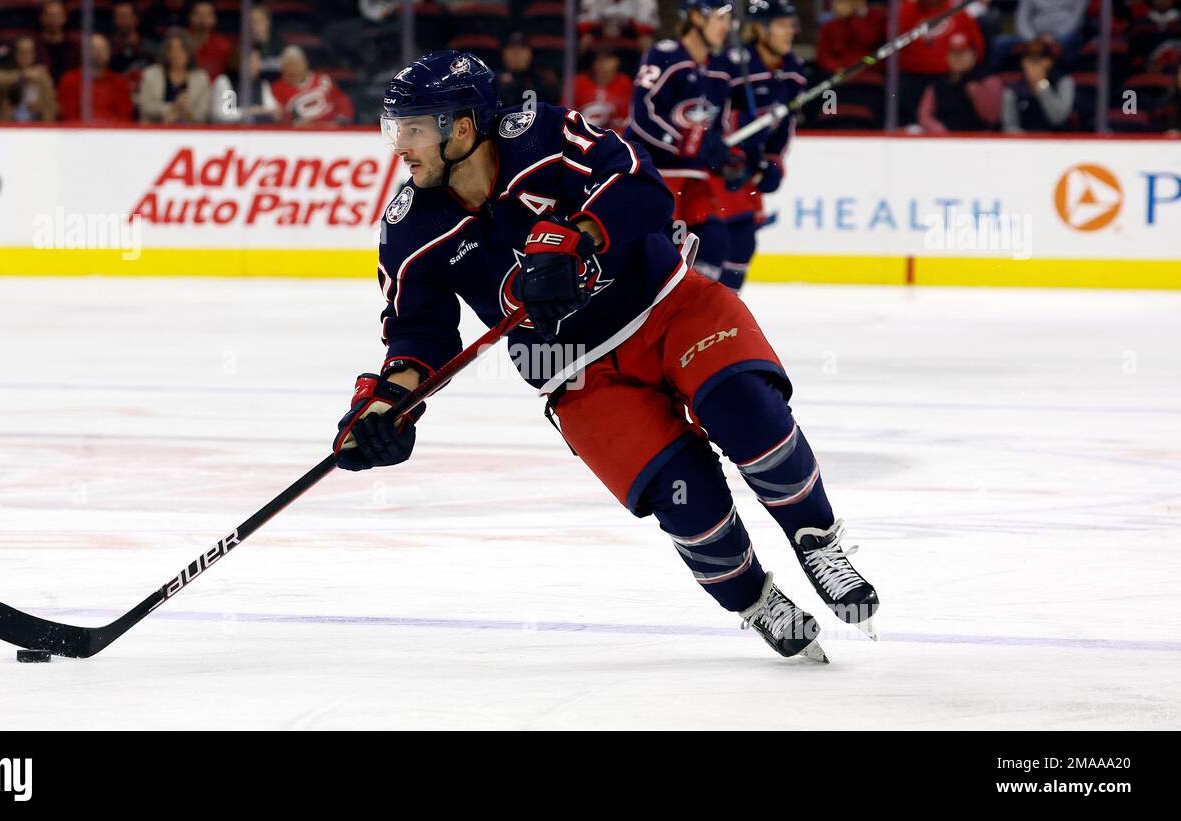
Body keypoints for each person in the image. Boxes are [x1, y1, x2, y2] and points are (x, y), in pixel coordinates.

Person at [340, 49, 881, 663]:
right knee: (685, 497)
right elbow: (419, 336)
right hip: (577, 372)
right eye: (394, 129)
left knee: (744, 410)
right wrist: (387, 405)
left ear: (462, 126)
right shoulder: (410, 228)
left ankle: (816, 539)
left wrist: (578, 237)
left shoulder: (541, 134)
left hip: (669, 308)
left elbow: (641, 185)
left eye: (412, 129)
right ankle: (755, 599)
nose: (399, 146)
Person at [624, 2, 750, 286]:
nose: (726, 27)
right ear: (696, 17)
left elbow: (717, 132)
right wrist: (685, 143)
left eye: (729, 20)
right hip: (651, 174)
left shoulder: (720, 73)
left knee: (716, 243)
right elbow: (643, 114)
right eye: (720, 18)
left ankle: (706, 318)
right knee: (661, 255)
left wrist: (727, 160)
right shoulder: (663, 56)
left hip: (692, 179)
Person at [708, 0, 805, 292]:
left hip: (748, 168)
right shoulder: (731, 63)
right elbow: (709, 115)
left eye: (791, 25)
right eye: (781, 25)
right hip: (718, 165)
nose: (789, 32)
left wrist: (773, 159)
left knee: (743, 241)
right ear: (760, 30)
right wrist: (736, 124)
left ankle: (726, 309)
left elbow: (785, 125)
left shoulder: (793, 70)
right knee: (727, 237)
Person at [918, 32, 1003, 132]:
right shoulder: (938, 84)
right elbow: (924, 116)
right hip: (945, 140)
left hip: (981, 140)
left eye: (963, 53)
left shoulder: (988, 80)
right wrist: (940, 131)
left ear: (974, 55)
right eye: (953, 53)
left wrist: (977, 93)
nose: (957, 58)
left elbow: (993, 117)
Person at [1001, 37, 1074, 132]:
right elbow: (1009, 127)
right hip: (1024, 143)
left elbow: (1058, 118)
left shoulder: (1063, 82)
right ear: (1023, 62)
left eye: (1039, 60)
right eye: (1030, 60)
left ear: (1049, 62)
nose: (1034, 66)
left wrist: (1042, 85)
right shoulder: (1013, 91)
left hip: (1058, 143)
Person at [137, 29, 210, 123]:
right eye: (174, 50)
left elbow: (203, 113)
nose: (178, 54)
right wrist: (171, 107)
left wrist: (183, 112)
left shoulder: (201, 78)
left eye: (182, 50)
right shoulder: (151, 74)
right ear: (167, 53)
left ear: (189, 53)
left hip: (190, 131)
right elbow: (145, 106)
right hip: (155, 128)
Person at [270, 45, 353, 126]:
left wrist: (339, 122)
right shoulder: (276, 89)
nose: (293, 68)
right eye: (288, 64)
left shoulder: (323, 80)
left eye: (296, 63)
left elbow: (342, 101)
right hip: (302, 133)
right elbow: (281, 118)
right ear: (282, 67)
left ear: (305, 63)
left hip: (331, 129)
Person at [57, 34, 133, 122]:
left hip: (112, 133)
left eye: (102, 49)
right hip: (78, 132)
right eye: (93, 48)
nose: (98, 52)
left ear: (109, 53)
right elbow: (68, 116)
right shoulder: (69, 80)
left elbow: (125, 117)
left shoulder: (120, 82)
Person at [0, 35, 57, 121]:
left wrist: (41, 110)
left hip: (36, 126)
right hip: (9, 125)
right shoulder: (4, 73)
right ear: (15, 53)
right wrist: (23, 75)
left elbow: (51, 107)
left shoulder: (42, 77)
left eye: (29, 52)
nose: (25, 56)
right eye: (22, 52)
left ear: (34, 54)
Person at [816, 0, 887, 76]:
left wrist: (853, 16)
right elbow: (823, 56)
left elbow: (870, 41)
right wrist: (835, 68)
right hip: (839, 76)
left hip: (870, 73)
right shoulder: (829, 26)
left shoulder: (877, 16)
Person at [211, 47, 279, 123]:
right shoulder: (224, 81)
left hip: (258, 132)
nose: (257, 66)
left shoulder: (263, 84)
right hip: (229, 132)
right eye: (251, 62)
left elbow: (272, 109)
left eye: (257, 61)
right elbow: (220, 114)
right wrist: (249, 112)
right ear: (239, 62)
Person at [573, 47, 632, 132]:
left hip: (614, 138)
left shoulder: (625, 83)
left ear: (617, 62)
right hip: (583, 137)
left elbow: (627, 120)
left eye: (607, 59)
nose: (602, 64)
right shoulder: (579, 82)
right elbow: (566, 114)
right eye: (598, 60)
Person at [496, 32, 560, 110]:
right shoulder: (494, 81)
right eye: (512, 47)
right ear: (504, 52)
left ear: (530, 52)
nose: (517, 53)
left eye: (522, 48)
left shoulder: (540, 81)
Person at [34, 0, 78, 84]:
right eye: (50, 15)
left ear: (65, 17)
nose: (54, 19)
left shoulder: (74, 46)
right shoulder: (34, 46)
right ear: (42, 18)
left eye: (57, 15)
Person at [186, 1, 232, 80]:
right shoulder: (181, 42)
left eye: (207, 15)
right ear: (190, 17)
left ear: (214, 19)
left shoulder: (223, 46)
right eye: (198, 14)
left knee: (222, 80)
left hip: (213, 89)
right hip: (188, 88)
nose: (202, 20)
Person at [109, 2, 156, 76]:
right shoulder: (108, 48)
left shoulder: (150, 49)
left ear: (136, 19)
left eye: (125, 16)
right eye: (119, 16)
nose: (122, 21)